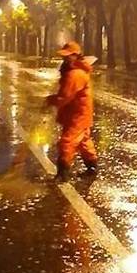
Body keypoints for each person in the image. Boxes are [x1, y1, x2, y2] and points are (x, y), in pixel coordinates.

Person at [46, 41, 98, 182]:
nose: (65, 58)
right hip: (78, 112)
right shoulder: (73, 70)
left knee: (67, 142)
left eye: (68, 56)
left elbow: (65, 96)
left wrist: (51, 101)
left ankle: (63, 173)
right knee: (83, 141)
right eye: (64, 56)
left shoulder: (75, 74)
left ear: (76, 55)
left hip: (77, 115)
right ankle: (92, 167)